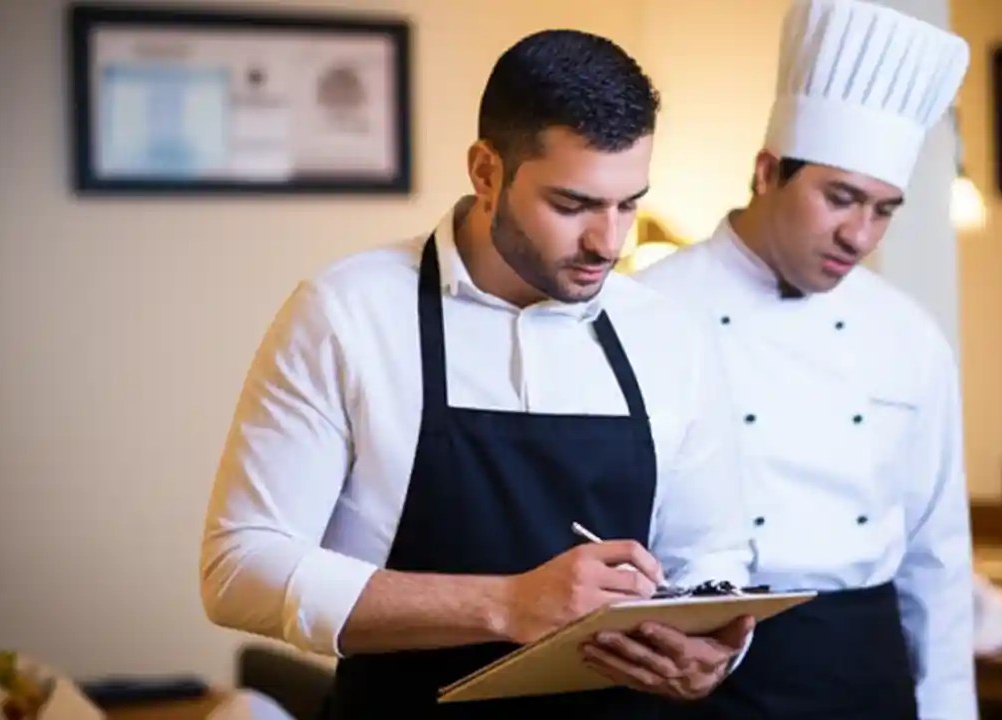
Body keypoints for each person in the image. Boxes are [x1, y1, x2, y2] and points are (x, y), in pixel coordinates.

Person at [200, 28, 755, 719]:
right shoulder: (347, 312)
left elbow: (714, 555)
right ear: (486, 172)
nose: (608, 243)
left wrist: (715, 651)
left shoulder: (671, 333)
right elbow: (240, 568)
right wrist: (507, 605)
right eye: (573, 205)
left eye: (628, 203)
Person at [637, 1, 977, 718]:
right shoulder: (648, 312)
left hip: (868, 662)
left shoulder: (909, 336)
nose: (860, 234)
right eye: (840, 197)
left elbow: (938, 557)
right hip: (707, 671)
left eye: (884, 208)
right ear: (767, 170)